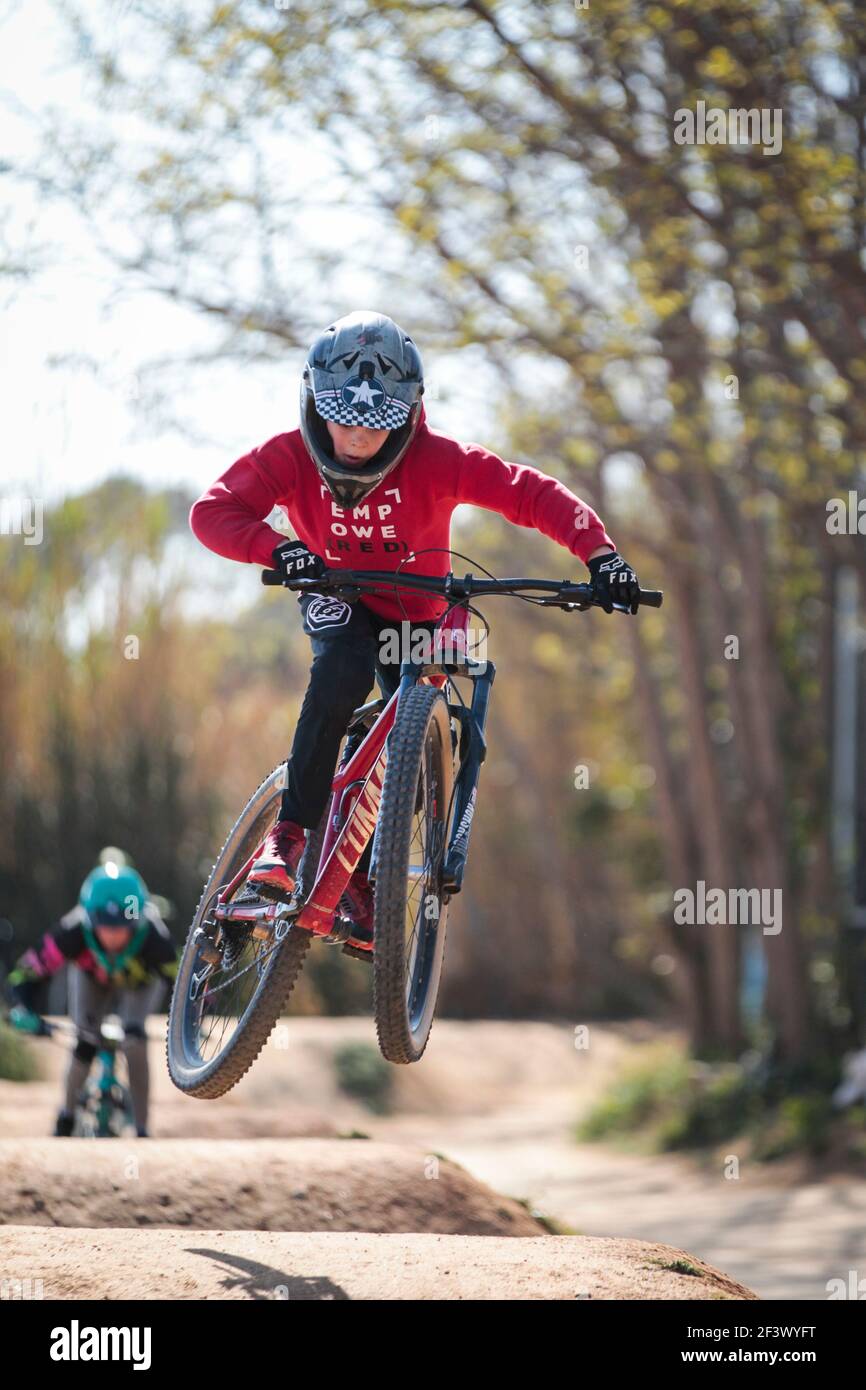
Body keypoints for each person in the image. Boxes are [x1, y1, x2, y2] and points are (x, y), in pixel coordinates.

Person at [189, 309, 641, 932]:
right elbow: (212, 511)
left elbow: (530, 492)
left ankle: (361, 879)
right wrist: (279, 548)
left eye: (374, 425)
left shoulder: (438, 459)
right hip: (337, 595)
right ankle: (287, 837)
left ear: (406, 415)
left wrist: (602, 556)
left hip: (417, 609)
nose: (354, 439)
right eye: (340, 419)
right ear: (314, 402)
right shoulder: (288, 455)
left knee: (412, 725)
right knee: (343, 669)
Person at [8, 857, 176, 1137]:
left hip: (141, 984)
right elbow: (26, 974)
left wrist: (197, 1017)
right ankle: (66, 1116)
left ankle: (143, 1129)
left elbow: (187, 985)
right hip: (90, 979)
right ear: (89, 919)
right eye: (103, 925)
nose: (111, 935)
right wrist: (22, 1009)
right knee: (84, 1041)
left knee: (134, 1039)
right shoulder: (71, 932)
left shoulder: (155, 939)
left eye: (120, 926)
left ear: (136, 922)